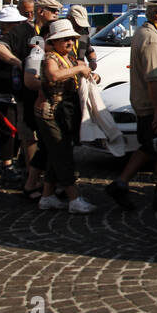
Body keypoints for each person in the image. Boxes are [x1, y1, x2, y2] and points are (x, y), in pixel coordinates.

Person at [104, 0, 157, 211]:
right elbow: (153, 79)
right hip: (156, 106)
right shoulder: (151, 38)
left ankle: (121, 183)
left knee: (149, 147)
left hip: (152, 105)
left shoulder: (149, 33)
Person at [34, 19, 97, 213]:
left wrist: (91, 76)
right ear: (54, 42)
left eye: (71, 39)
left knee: (57, 154)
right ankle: (74, 198)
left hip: (65, 113)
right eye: (64, 39)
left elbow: (82, 72)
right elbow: (53, 75)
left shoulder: (69, 58)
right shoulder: (50, 58)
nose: (69, 43)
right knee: (62, 155)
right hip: (50, 112)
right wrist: (79, 69)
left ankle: (47, 196)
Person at [0, 5, 34, 188]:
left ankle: (19, 161)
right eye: (13, 24)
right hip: (1, 91)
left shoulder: (22, 40)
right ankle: (6, 165)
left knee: (20, 130)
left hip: (18, 91)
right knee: (6, 131)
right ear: (4, 25)